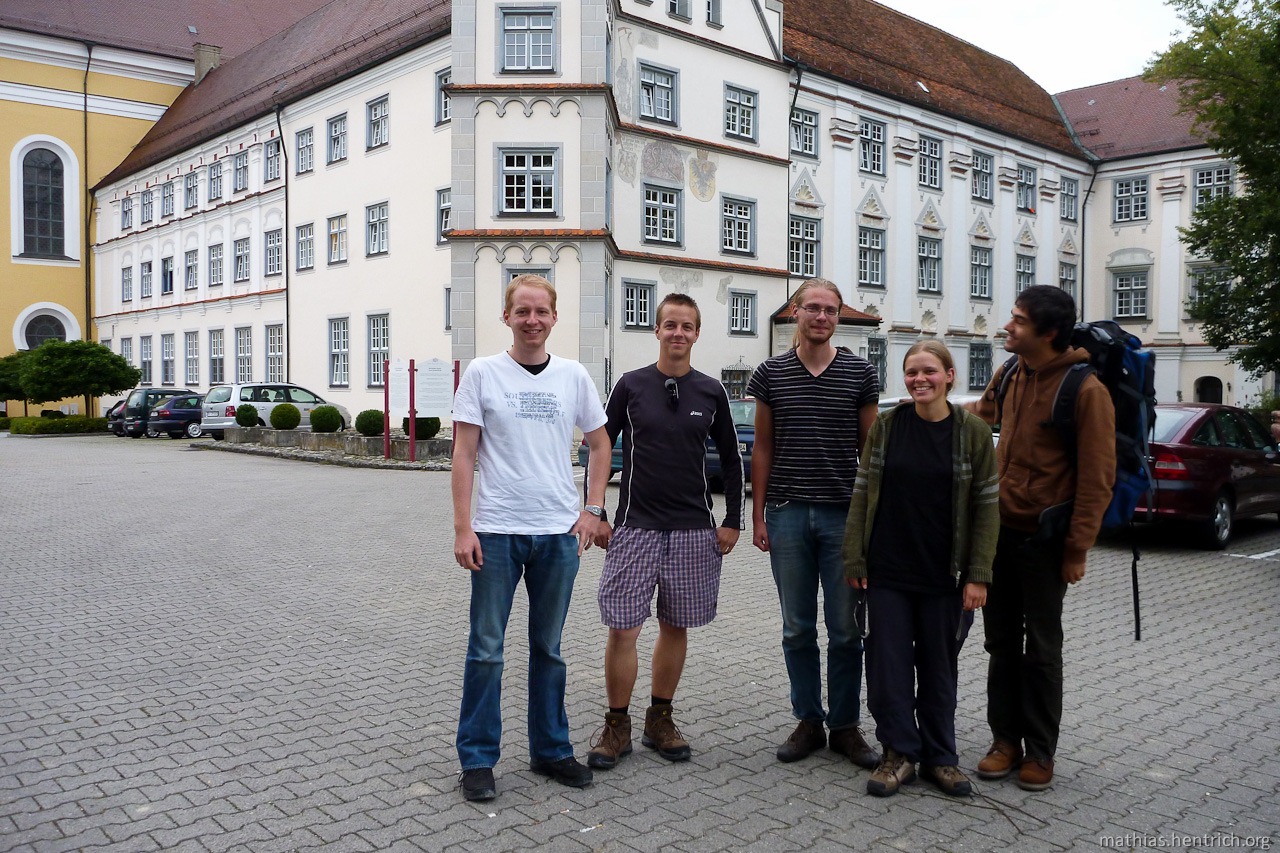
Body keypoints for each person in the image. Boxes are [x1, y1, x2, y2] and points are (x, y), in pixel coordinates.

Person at [451, 274, 613, 802]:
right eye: (522, 311)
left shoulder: (573, 376)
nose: (532, 320)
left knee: (549, 649)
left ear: (554, 317)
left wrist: (593, 509)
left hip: (558, 534)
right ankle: (478, 759)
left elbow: (600, 444)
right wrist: (463, 527)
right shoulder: (482, 373)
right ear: (507, 317)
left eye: (541, 311)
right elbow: (464, 453)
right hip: (497, 531)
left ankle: (550, 749)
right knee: (486, 650)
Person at [585, 293, 745, 770]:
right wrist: (597, 512)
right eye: (670, 324)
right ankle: (617, 726)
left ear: (697, 334)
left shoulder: (711, 391)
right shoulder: (630, 386)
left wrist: (733, 521)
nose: (678, 333)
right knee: (623, 628)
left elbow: (732, 460)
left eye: (686, 326)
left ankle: (660, 719)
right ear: (657, 330)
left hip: (694, 530)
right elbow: (599, 448)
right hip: (635, 527)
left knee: (676, 625)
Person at [966, 284, 1116, 792]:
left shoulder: (1086, 391)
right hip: (999, 533)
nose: (1007, 326)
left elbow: (1097, 479)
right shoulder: (1011, 371)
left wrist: (1077, 549)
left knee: (1043, 648)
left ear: (1048, 333)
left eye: (1018, 320)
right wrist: (924, 407)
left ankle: (1040, 752)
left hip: (1046, 541)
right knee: (1001, 643)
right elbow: (981, 415)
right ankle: (1004, 742)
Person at [842, 341, 999, 797]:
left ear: (949, 376)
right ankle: (898, 753)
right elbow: (863, 492)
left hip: (944, 575)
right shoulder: (888, 425)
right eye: (912, 372)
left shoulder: (972, 433)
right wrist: (855, 556)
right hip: (888, 570)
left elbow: (987, 508)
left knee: (938, 667)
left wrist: (978, 574)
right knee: (887, 667)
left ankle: (940, 757)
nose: (919, 380)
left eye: (929, 371)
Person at [748, 278, 880, 769]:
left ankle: (844, 725)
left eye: (830, 310)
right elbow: (763, 448)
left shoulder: (860, 373)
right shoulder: (770, 372)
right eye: (813, 309)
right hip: (786, 515)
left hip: (843, 516)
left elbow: (871, 453)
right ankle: (808, 719)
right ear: (796, 313)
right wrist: (758, 515)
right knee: (797, 628)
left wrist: (872, 523)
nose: (821, 317)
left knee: (845, 629)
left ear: (838, 317)